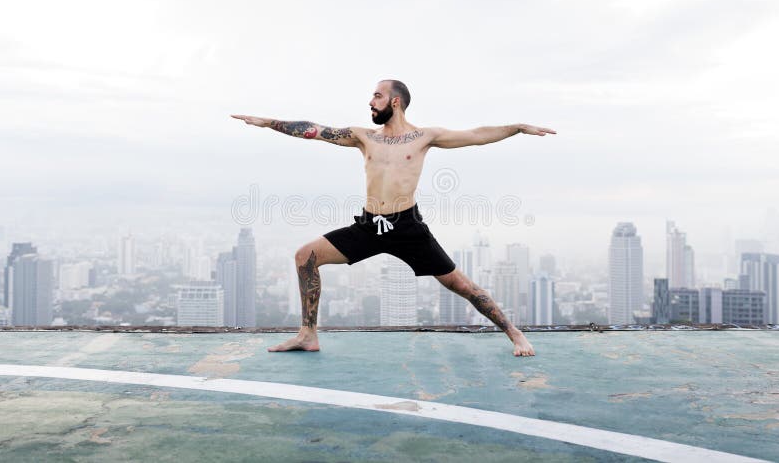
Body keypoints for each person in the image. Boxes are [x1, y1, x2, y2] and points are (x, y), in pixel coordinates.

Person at [231, 79, 556, 356]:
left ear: (395, 102)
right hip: (368, 225)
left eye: (377, 96)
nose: (371, 102)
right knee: (306, 257)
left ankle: (513, 332)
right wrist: (270, 122)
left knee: (460, 284)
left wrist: (517, 128)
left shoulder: (424, 137)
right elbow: (315, 130)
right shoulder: (364, 137)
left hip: (407, 227)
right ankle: (307, 335)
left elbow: (475, 134)